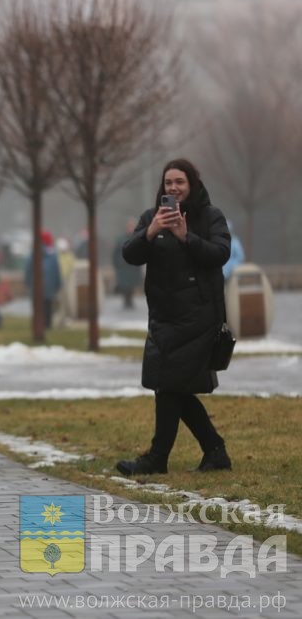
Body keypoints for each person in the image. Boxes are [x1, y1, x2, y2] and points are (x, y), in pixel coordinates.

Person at [116, 157, 233, 476]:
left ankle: (158, 458)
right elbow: (129, 254)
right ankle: (214, 449)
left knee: (168, 384)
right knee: (172, 386)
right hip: (164, 317)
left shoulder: (210, 217)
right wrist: (149, 232)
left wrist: (186, 236)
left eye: (180, 182)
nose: (174, 188)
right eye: (168, 183)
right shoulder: (152, 218)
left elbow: (219, 254)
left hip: (199, 316)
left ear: (192, 184)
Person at [25, 231, 62, 329]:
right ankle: (47, 325)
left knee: (37, 308)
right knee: (48, 308)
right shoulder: (53, 255)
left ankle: (37, 325)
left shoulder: (33, 254)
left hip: (36, 287)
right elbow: (56, 272)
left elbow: (28, 271)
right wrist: (58, 285)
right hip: (49, 288)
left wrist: (28, 283)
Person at [113, 218, 142, 310]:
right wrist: (117, 264)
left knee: (132, 284)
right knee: (125, 285)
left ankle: (130, 300)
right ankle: (126, 300)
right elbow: (116, 252)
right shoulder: (121, 239)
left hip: (133, 267)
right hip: (124, 266)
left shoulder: (137, 237)